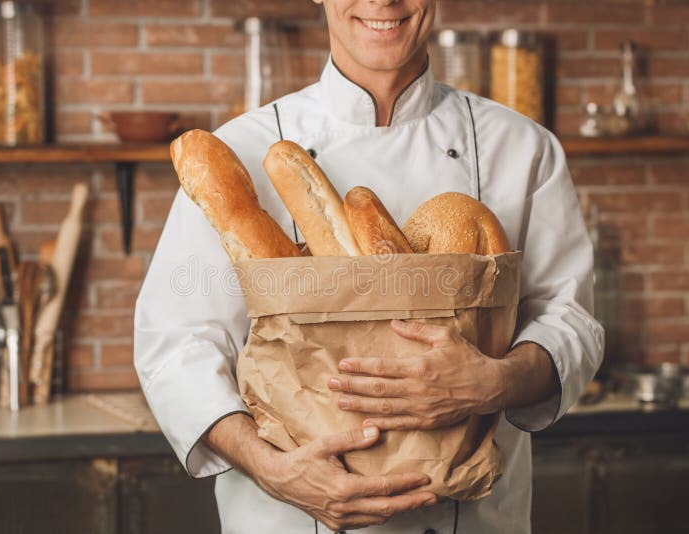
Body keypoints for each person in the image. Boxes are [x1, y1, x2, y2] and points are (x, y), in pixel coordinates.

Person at [134, 0, 604, 532]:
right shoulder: (242, 148)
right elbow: (176, 347)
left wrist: (495, 381)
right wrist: (273, 470)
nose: (383, 2)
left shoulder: (522, 150)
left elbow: (571, 321)